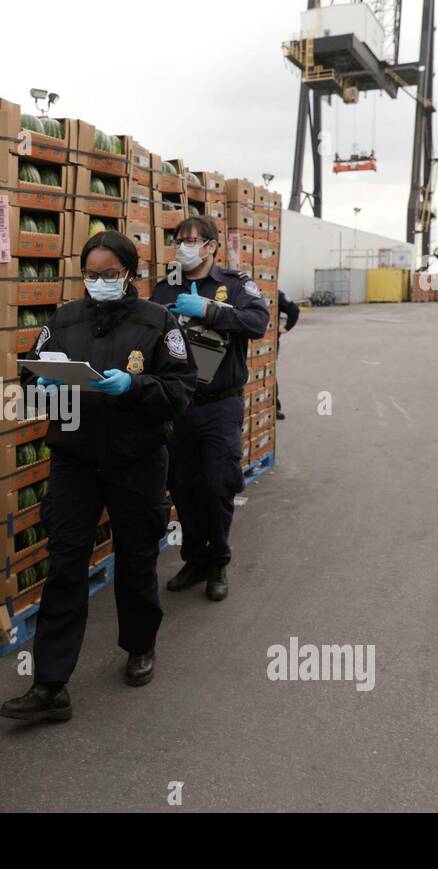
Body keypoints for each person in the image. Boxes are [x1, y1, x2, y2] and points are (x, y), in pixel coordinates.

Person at [0, 231, 196, 721]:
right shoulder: (64, 321)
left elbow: (181, 388)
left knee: (136, 557)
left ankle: (139, 645)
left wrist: (135, 385)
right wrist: (40, 384)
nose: (100, 282)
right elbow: (29, 380)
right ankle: (50, 683)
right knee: (65, 565)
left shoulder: (158, 322)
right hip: (75, 462)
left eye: (109, 274)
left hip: (138, 461)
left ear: (129, 273)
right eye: (91, 274)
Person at [151, 216, 269, 602]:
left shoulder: (234, 285)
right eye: (178, 240)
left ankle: (218, 560)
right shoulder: (164, 290)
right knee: (182, 485)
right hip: (178, 406)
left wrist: (209, 311)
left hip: (220, 404)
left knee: (218, 483)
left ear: (211, 246)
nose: (184, 246)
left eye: (192, 240)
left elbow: (258, 322)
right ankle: (194, 558)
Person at [275, 289, 300, 420]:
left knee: (269, 373)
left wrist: (286, 328)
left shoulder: (275, 293)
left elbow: (294, 310)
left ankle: (274, 407)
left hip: (269, 343)